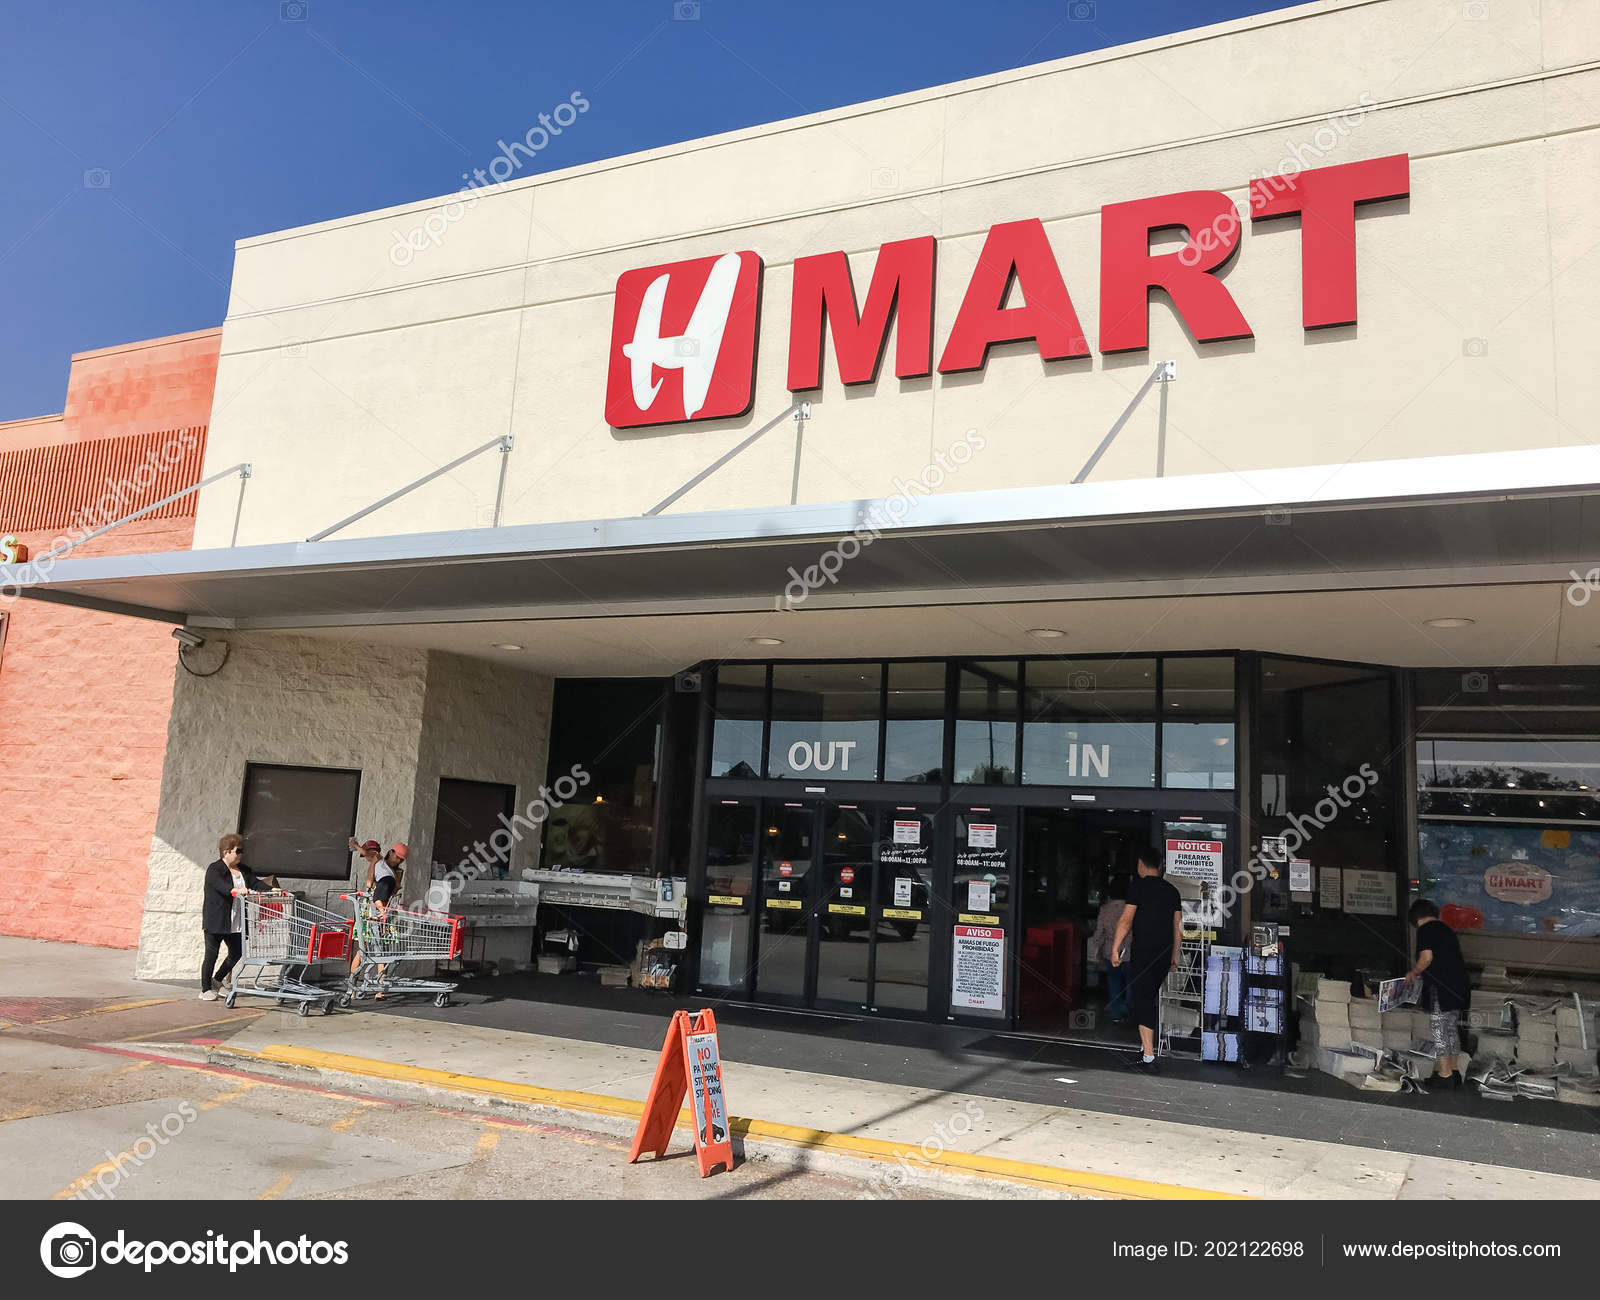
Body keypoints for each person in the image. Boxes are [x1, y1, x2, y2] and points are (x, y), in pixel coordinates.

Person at [1111, 844, 1183, 1072]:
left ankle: (1149, 1057)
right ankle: (1145, 1048)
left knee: (1143, 1000)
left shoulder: (1137, 887)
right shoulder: (1172, 891)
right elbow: (1178, 928)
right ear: (1160, 866)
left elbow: (1126, 920)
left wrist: (1115, 948)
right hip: (1163, 954)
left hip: (1143, 953)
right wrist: (1174, 957)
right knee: (1148, 997)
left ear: (1141, 864)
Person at [1405, 898, 1471, 1089]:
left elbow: (1426, 958)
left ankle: (1444, 1074)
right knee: (1451, 1029)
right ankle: (1454, 1071)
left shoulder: (1426, 930)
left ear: (1415, 918)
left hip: (1440, 988)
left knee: (1439, 1030)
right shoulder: (1446, 929)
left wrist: (1413, 972)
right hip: (1458, 987)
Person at [200, 833, 266, 1001]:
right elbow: (222, 887)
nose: (240, 854)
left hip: (235, 920)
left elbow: (256, 883)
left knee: (236, 952)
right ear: (226, 852)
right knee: (211, 954)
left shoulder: (243, 870)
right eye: (238, 851)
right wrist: (236, 891)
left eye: (241, 851)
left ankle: (217, 980)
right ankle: (205, 989)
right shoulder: (215, 869)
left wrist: (272, 889)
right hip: (217, 920)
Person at [1090, 876, 1131, 1025]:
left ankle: (1116, 1013)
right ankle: (1127, 1007)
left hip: (1110, 953)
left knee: (1114, 983)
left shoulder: (1105, 909)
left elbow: (1100, 932)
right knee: (1131, 982)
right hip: (1130, 952)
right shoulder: (1131, 908)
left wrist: (1096, 948)